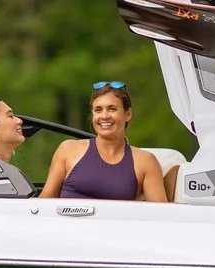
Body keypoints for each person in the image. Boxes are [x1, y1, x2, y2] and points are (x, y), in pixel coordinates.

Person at [40, 82, 171, 203]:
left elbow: (161, 218)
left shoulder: (146, 162)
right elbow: (44, 203)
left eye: (112, 109)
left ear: (128, 114)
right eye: (98, 110)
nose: (104, 116)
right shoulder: (68, 149)